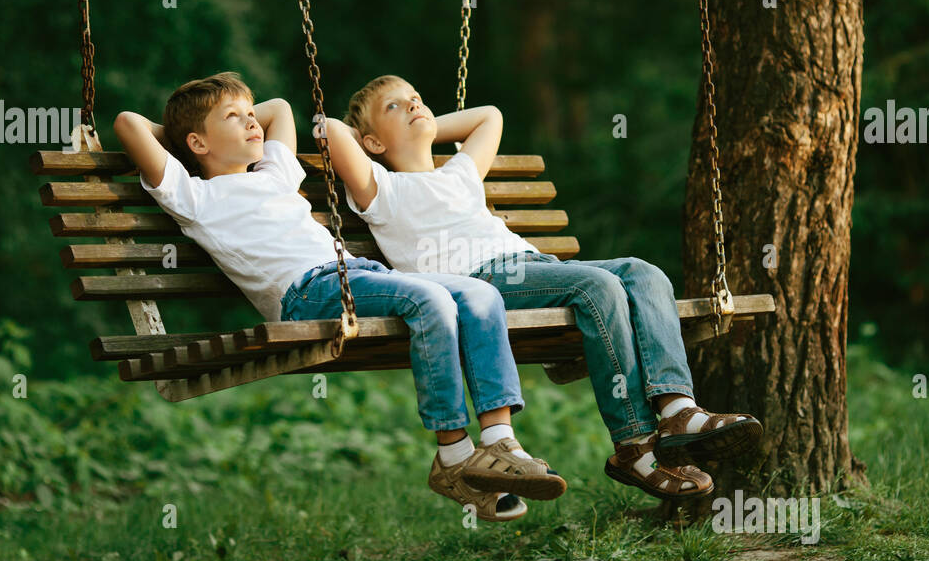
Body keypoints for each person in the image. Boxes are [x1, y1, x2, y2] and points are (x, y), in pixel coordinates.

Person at [114, 72, 568, 522]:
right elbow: (128, 123)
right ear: (196, 144)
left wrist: (226, 118)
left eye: (250, 115)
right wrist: (175, 132)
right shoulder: (192, 195)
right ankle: (453, 457)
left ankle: (498, 442)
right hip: (309, 292)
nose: (254, 123)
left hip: (360, 273)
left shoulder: (275, 173)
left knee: (480, 296)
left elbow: (279, 109)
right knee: (430, 302)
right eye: (234, 118)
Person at [322, 74, 763, 502]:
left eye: (417, 97)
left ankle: (676, 409)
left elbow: (489, 116)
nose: (414, 104)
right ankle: (633, 444)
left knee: (644, 272)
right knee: (598, 286)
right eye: (394, 106)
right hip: (479, 283)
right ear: (373, 143)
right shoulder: (381, 189)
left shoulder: (459, 172)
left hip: (532, 266)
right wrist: (383, 134)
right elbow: (331, 129)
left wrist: (427, 125)